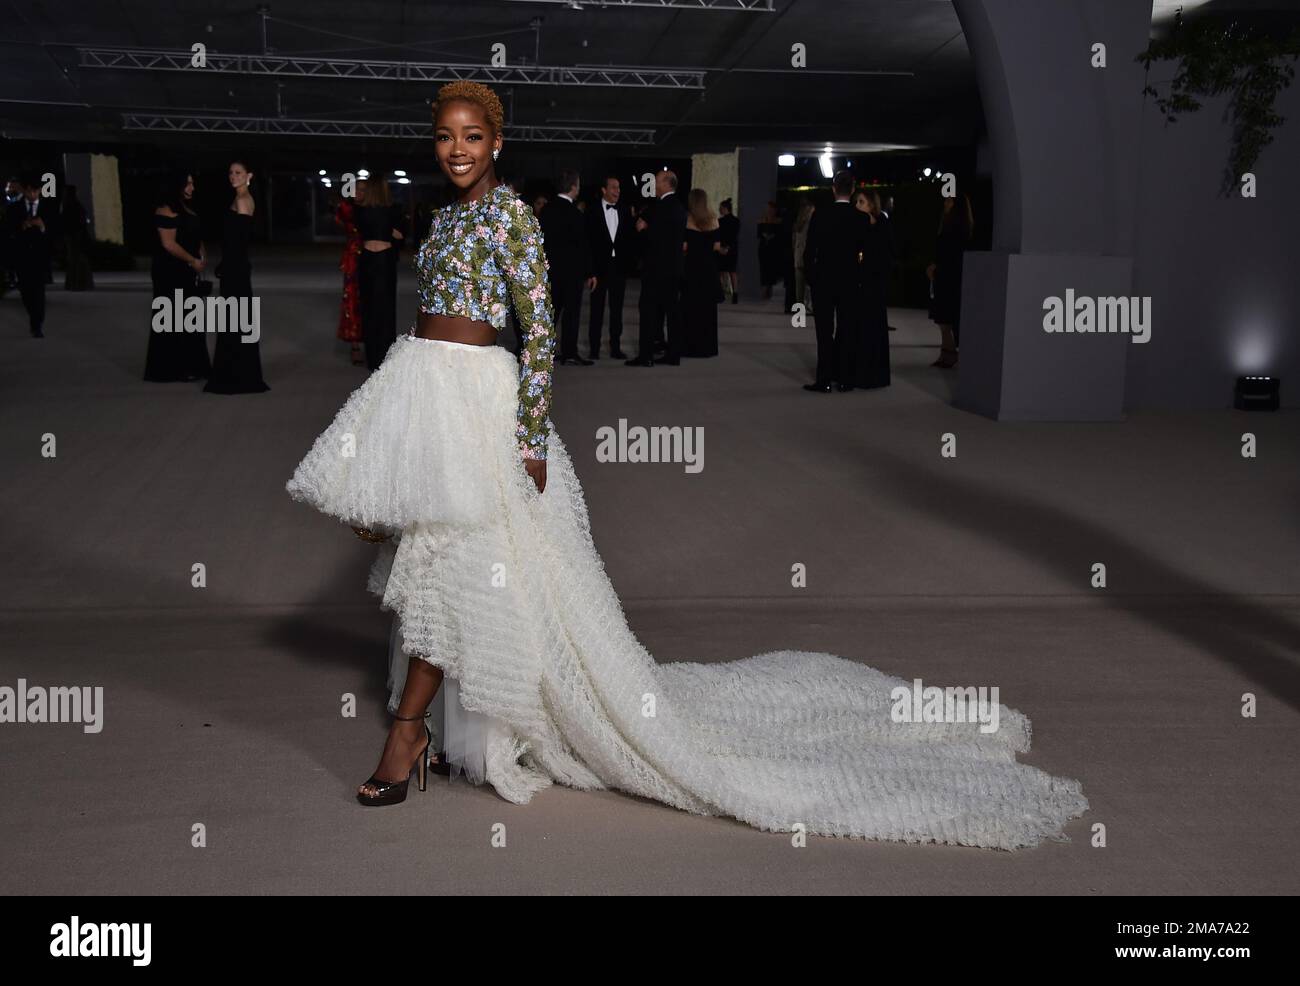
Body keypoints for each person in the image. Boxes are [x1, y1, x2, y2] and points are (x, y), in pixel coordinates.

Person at [285, 81, 1088, 850]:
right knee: (432, 561)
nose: (457, 150)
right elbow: (423, 336)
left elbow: (540, 332)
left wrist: (529, 437)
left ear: (497, 142)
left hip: (482, 413)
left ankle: (407, 733)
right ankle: (434, 725)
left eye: (473, 137)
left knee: (454, 565)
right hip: (424, 395)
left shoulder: (510, 220)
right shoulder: (442, 219)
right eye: (445, 136)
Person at [205, 160, 270, 394]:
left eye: (238, 172)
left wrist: (229, 264)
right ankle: (236, 371)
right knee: (234, 319)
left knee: (235, 319)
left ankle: (238, 375)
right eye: (230, 172)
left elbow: (240, 241)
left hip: (237, 269)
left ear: (249, 175)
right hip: (234, 266)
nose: (233, 176)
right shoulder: (239, 198)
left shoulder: (243, 201)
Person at [801, 171, 868, 393]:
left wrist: (811, 277)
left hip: (824, 280)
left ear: (833, 189)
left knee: (824, 331)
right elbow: (865, 253)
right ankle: (846, 379)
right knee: (847, 329)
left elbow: (810, 251)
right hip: (850, 281)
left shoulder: (820, 215)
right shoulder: (861, 218)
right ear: (853, 190)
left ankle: (824, 379)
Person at [143, 170, 211, 380]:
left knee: (190, 317)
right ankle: (173, 368)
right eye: (188, 184)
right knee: (172, 318)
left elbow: (194, 234)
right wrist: (192, 260)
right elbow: (168, 243)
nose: (192, 188)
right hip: (170, 271)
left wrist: (201, 253)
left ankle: (194, 366)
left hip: (186, 269)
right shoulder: (166, 210)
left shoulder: (185, 208)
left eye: (192, 183)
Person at [626, 169, 686, 367]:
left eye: (658, 181)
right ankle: (674, 354)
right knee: (672, 312)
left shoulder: (661, 207)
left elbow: (654, 240)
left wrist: (642, 229)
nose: (654, 184)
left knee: (648, 311)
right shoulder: (679, 206)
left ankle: (646, 356)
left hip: (656, 269)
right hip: (674, 269)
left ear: (667, 183)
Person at [539, 169, 594, 365]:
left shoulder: (546, 210)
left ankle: (543, 352)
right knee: (571, 314)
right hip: (572, 273)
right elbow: (583, 246)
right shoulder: (575, 214)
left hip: (551, 272)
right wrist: (589, 272)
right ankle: (569, 352)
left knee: (550, 314)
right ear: (573, 187)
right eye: (578, 184)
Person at [354, 177, 405, 371]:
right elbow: (400, 235)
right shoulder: (393, 210)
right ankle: (385, 355)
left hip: (367, 258)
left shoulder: (360, 211)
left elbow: (360, 230)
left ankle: (372, 356)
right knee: (386, 307)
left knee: (368, 307)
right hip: (384, 259)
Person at [585, 175, 634, 360]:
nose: (617, 191)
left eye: (619, 188)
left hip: (619, 268)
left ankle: (615, 348)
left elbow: (629, 240)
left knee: (617, 310)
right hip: (599, 269)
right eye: (613, 187)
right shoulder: (591, 211)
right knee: (596, 310)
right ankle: (594, 349)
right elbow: (588, 244)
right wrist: (590, 271)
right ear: (604, 190)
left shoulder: (624, 210)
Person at [927, 191, 973, 369]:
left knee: (945, 318)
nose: (945, 204)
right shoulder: (952, 227)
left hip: (949, 278)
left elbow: (951, 256)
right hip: (945, 276)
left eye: (949, 201)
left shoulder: (955, 230)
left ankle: (949, 353)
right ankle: (947, 352)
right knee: (943, 319)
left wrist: (936, 268)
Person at [852, 190, 892, 389]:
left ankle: (873, 374)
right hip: (862, 283)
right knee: (860, 327)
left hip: (874, 284)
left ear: (871, 205)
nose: (857, 205)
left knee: (872, 327)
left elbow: (881, 257)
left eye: (861, 202)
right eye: (857, 201)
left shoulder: (881, 226)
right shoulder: (860, 225)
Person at [6, 177, 54, 337]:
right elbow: (6, 231)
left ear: (39, 191)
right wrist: (21, 226)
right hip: (22, 257)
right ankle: (34, 317)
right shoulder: (14, 209)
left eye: (35, 191)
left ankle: (37, 324)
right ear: (24, 191)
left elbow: (56, 232)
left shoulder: (48, 208)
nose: (32, 194)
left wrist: (42, 226)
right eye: (29, 191)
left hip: (40, 257)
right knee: (26, 291)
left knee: (39, 291)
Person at [681, 188, 722, 358]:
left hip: (691, 268)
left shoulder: (687, 220)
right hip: (709, 269)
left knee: (690, 309)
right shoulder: (713, 220)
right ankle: (708, 347)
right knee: (707, 310)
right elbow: (717, 247)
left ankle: (690, 347)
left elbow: (683, 247)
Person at [333, 192, 364, 366]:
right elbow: (339, 218)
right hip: (353, 259)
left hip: (370, 259)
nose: (360, 193)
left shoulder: (372, 208)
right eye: (357, 188)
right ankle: (355, 345)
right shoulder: (347, 209)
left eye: (364, 189)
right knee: (352, 299)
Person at [61, 185, 94, 291]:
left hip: (72, 237)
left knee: (74, 260)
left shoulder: (68, 205)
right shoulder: (76, 205)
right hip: (77, 236)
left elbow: (65, 222)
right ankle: (79, 284)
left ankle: (75, 284)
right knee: (78, 260)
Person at [791, 200, 815, 316]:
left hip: (797, 257)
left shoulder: (797, 225)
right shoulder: (811, 225)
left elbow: (794, 242)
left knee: (799, 287)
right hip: (808, 257)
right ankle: (809, 308)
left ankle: (799, 308)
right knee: (809, 285)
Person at [756, 201, 782, 300]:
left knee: (771, 269)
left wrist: (771, 236)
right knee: (763, 268)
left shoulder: (778, 221)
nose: (769, 210)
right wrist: (765, 236)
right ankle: (764, 289)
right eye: (768, 208)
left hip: (773, 248)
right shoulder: (761, 220)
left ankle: (768, 288)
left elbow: (780, 235)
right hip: (763, 247)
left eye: (771, 208)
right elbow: (758, 234)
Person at [716, 198, 739, 303]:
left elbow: (718, 236)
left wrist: (721, 248)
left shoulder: (720, 221)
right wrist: (729, 247)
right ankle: (735, 294)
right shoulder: (736, 221)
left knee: (721, 272)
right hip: (732, 248)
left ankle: (721, 294)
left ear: (725, 209)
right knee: (732, 272)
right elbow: (734, 236)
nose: (719, 210)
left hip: (722, 248)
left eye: (721, 208)